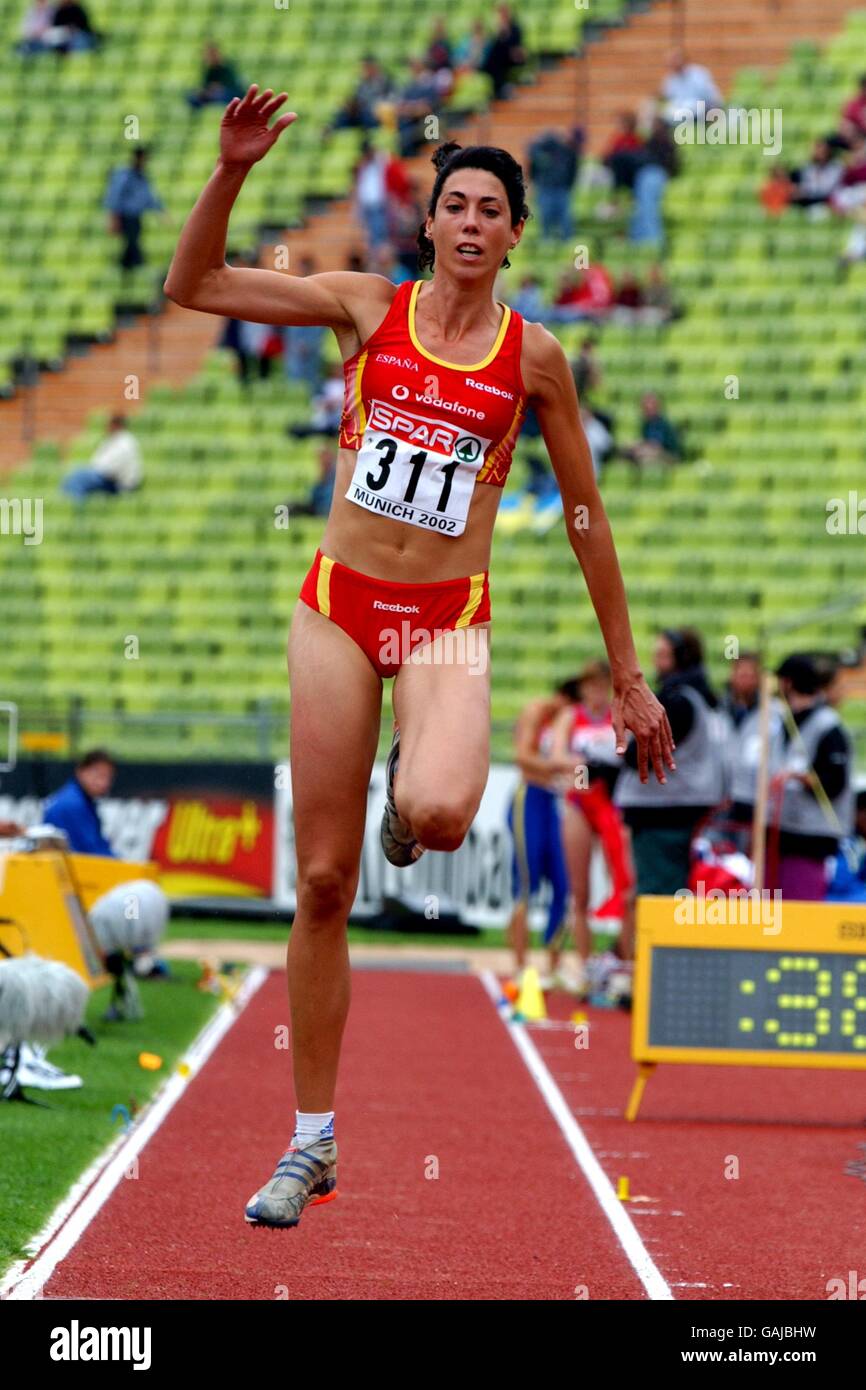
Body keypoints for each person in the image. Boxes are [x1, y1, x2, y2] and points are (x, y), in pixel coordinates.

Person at [163, 88, 673, 1230]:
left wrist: (625, 671)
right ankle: (310, 1143)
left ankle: (412, 785)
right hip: (341, 606)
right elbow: (191, 286)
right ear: (430, 223)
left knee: (441, 817)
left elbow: (586, 516)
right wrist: (232, 169)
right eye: (456, 204)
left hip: (445, 617)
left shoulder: (534, 360)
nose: (473, 222)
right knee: (325, 884)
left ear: (513, 233)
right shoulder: (361, 308)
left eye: (494, 208)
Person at [616, 628, 724, 905]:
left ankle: (657, 950)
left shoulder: (677, 701)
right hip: (680, 805)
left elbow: (638, 754)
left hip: (663, 811)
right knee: (669, 890)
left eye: (663, 655)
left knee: (657, 895)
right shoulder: (698, 697)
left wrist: (618, 748)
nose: (655, 662)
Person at [550, 661, 631, 986]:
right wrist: (583, 762)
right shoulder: (571, 717)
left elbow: (630, 754)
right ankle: (586, 966)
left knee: (624, 885)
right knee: (579, 891)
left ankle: (621, 960)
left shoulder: (619, 715)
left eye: (601, 685)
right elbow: (555, 757)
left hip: (611, 804)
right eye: (589, 686)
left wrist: (607, 763)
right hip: (580, 802)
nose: (595, 692)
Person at [506, 680, 578, 991]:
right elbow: (522, 757)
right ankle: (521, 965)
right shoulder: (537, 712)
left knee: (563, 885)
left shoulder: (568, 721)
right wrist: (558, 766)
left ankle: (553, 964)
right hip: (529, 798)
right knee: (527, 883)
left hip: (551, 802)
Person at [769, 654, 854, 901]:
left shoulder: (828, 726)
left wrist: (798, 778)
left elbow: (834, 782)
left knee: (799, 915)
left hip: (811, 839)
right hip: (783, 833)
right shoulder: (783, 721)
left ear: (787, 683)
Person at [43, 750, 117, 855]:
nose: (104, 783)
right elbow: (93, 853)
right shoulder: (73, 804)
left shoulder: (81, 800)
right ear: (81, 771)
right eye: (99, 775)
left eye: (109, 777)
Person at [103, 148, 165, 272]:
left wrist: (160, 211)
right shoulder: (125, 176)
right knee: (132, 240)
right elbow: (115, 196)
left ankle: (131, 265)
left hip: (136, 215)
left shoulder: (142, 177)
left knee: (133, 239)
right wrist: (113, 218)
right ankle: (134, 263)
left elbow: (148, 197)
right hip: (126, 215)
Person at [61, 414, 143, 500]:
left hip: (119, 484)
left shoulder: (126, 443)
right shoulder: (112, 439)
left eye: (110, 425)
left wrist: (94, 471)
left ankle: (76, 507)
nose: (107, 427)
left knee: (79, 478)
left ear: (117, 425)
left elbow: (111, 470)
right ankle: (70, 503)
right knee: (76, 473)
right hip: (106, 477)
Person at [527, 127, 582, 242]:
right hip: (546, 188)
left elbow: (573, 165)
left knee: (564, 220)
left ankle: (565, 244)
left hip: (560, 188)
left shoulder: (566, 151)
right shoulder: (539, 151)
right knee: (547, 219)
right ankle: (549, 244)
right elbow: (533, 163)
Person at [622, 392, 682, 470]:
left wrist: (638, 447)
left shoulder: (661, 423)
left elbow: (656, 447)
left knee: (644, 459)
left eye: (649, 406)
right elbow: (646, 441)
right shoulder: (646, 424)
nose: (646, 409)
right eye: (644, 407)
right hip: (655, 453)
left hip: (669, 456)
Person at [661, 48, 722, 124]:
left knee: (689, 107)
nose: (672, 63)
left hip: (701, 109)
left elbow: (711, 96)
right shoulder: (670, 79)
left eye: (674, 60)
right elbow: (667, 97)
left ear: (683, 60)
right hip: (679, 111)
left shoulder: (699, 74)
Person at [480, 4, 525, 100]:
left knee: (496, 60)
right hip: (499, 57)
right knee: (493, 60)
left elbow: (515, 44)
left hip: (511, 56)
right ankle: (498, 90)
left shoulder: (515, 28)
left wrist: (505, 32)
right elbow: (494, 43)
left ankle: (501, 89)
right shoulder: (496, 27)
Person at [187, 42, 245, 110]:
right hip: (213, 95)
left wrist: (215, 89)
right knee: (192, 97)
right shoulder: (209, 70)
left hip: (230, 95)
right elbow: (205, 86)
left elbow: (233, 86)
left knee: (220, 95)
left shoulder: (226, 67)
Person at [288, 446, 337, 519]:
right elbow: (313, 497)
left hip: (326, 511)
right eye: (320, 457)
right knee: (290, 506)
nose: (322, 460)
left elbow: (329, 500)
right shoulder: (322, 475)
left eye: (325, 456)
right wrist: (320, 479)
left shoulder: (336, 475)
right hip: (317, 508)